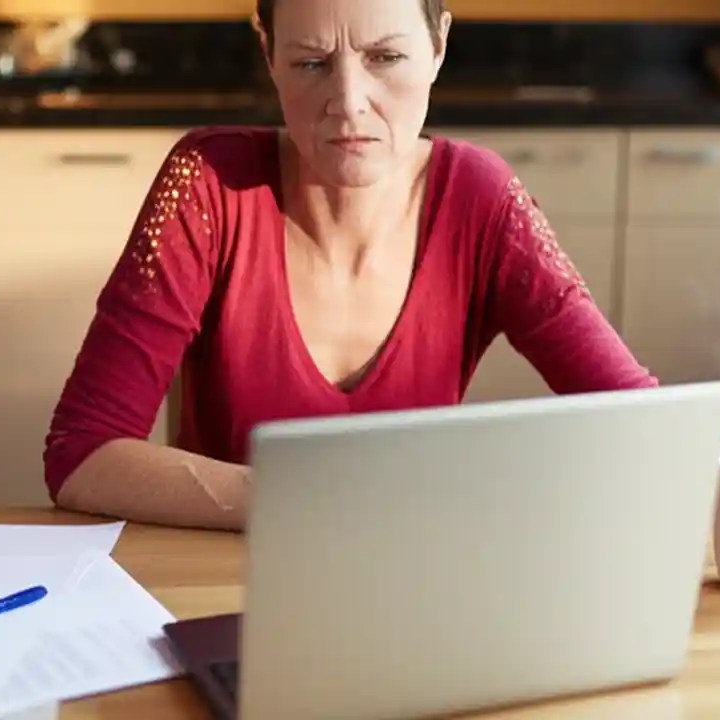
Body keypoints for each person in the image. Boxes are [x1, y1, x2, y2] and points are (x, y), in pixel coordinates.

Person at [43, 0, 658, 531]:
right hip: (226, 589)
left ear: (438, 44)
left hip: (409, 585)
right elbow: (82, 453)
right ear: (269, 53)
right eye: (310, 63)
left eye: (385, 58)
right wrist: (309, 501)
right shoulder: (208, 184)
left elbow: (644, 429)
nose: (348, 102)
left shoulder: (484, 203)